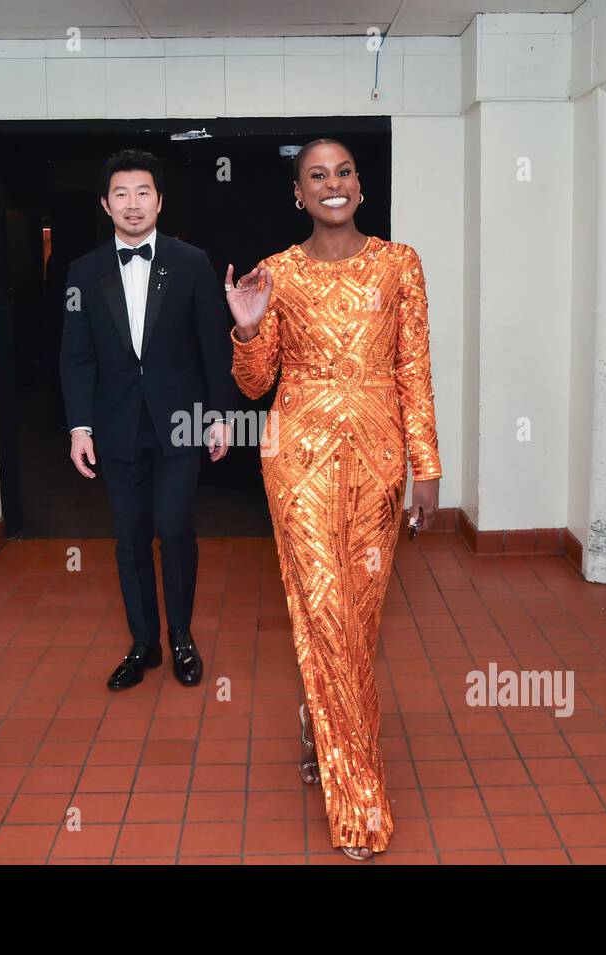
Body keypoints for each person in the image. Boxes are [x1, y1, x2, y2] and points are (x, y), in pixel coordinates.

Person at [226, 139, 442, 860]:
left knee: (359, 616)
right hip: (299, 459)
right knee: (324, 606)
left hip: (380, 460)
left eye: (343, 171)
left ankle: (320, 720)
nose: (333, 184)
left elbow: (413, 367)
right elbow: (256, 385)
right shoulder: (277, 273)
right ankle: (359, 803)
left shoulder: (399, 264)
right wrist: (250, 326)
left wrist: (426, 466)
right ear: (298, 194)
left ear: (360, 183)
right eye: (316, 175)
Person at [60, 149, 235, 691]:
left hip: (181, 422)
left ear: (159, 201)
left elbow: (213, 345)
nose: (132, 204)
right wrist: (79, 427)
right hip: (115, 427)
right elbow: (77, 356)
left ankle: (181, 636)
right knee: (131, 536)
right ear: (106, 205)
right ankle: (144, 643)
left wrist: (221, 416)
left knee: (174, 528)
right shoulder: (83, 272)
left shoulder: (190, 262)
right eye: (121, 194)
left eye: (143, 193)